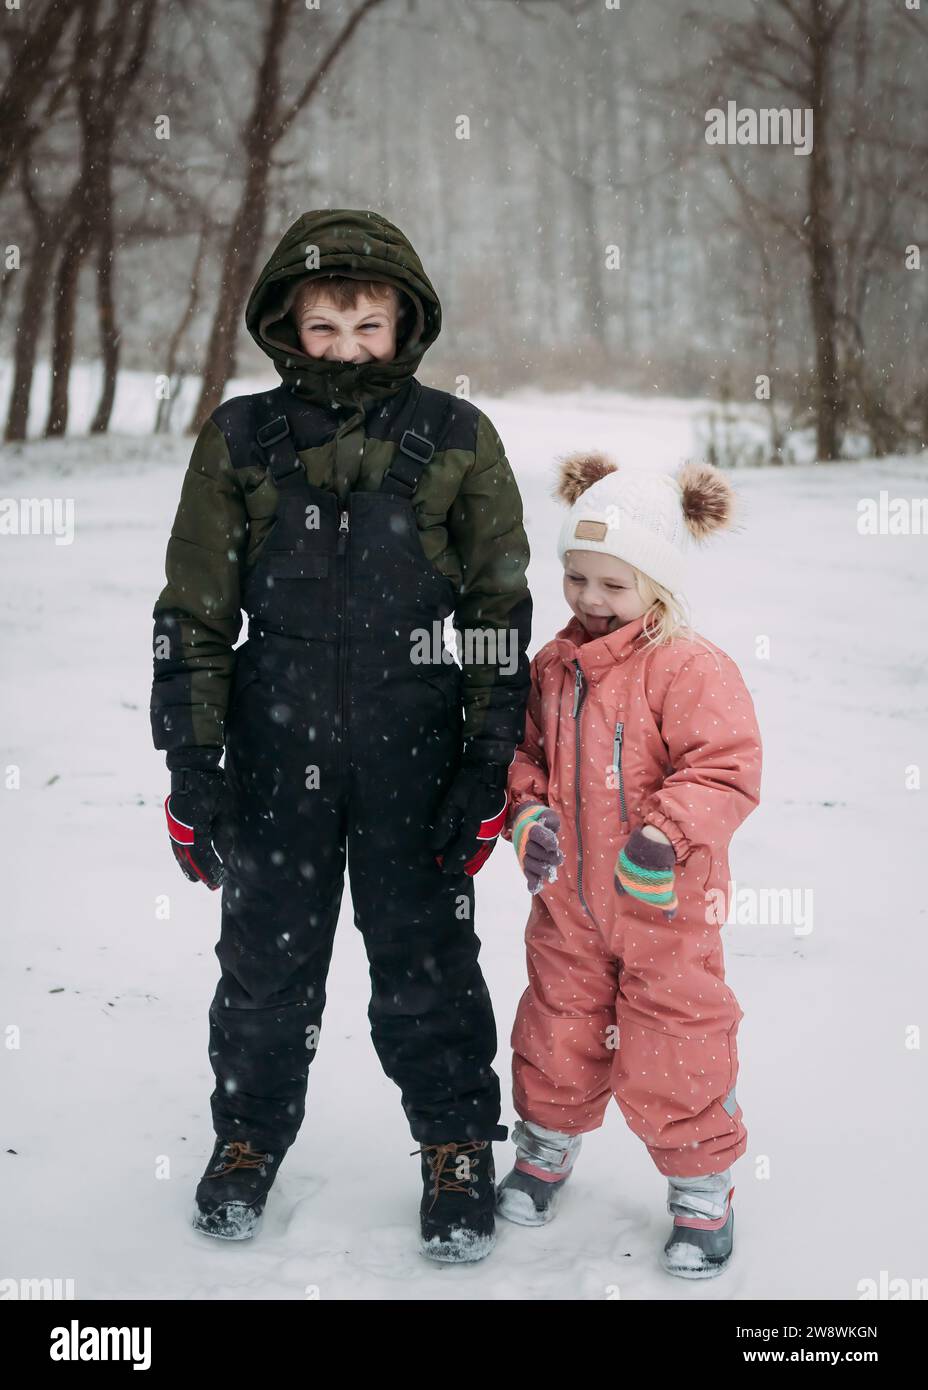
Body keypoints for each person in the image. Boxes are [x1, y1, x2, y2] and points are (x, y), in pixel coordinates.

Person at [150, 208, 532, 1262]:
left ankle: (455, 1140)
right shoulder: (236, 438)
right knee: (266, 964)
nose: (349, 345)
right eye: (325, 326)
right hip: (275, 749)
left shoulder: (459, 437)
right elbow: (192, 613)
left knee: (428, 957)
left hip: (415, 750)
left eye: (369, 323)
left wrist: (487, 760)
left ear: (405, 320)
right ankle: (246, 1138)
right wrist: (192, 765)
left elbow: (498, 611)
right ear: (287, 323)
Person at [495, 451, 762, 1279]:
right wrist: (528, 811)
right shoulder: (554, 666)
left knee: (675, 1040)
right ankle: (544, 1148)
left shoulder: (690, 666)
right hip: (570, 905)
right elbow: (522, 756)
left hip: (665, 911)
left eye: (614, 585)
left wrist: (666, 833)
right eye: (577, 578)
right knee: (557, 1025)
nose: (591, 601)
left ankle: (699, 1188)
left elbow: (724, 768)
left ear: (659, 585)